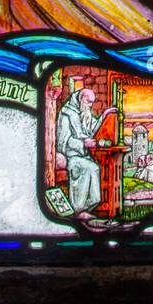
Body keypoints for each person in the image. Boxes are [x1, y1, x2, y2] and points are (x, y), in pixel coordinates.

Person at [55, 86, 101, 214]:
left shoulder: (84, 111)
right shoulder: (67, 113)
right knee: (88, 168)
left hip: (84, 156)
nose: (91, 105)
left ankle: (90, 206)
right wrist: (83, 144)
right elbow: (63, 141)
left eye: (92, 102)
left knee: (95, 167)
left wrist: (105, 118)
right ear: (81, 99)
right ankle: (79, 209)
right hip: (71, 156)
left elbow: (94, 127)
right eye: (89, 102)